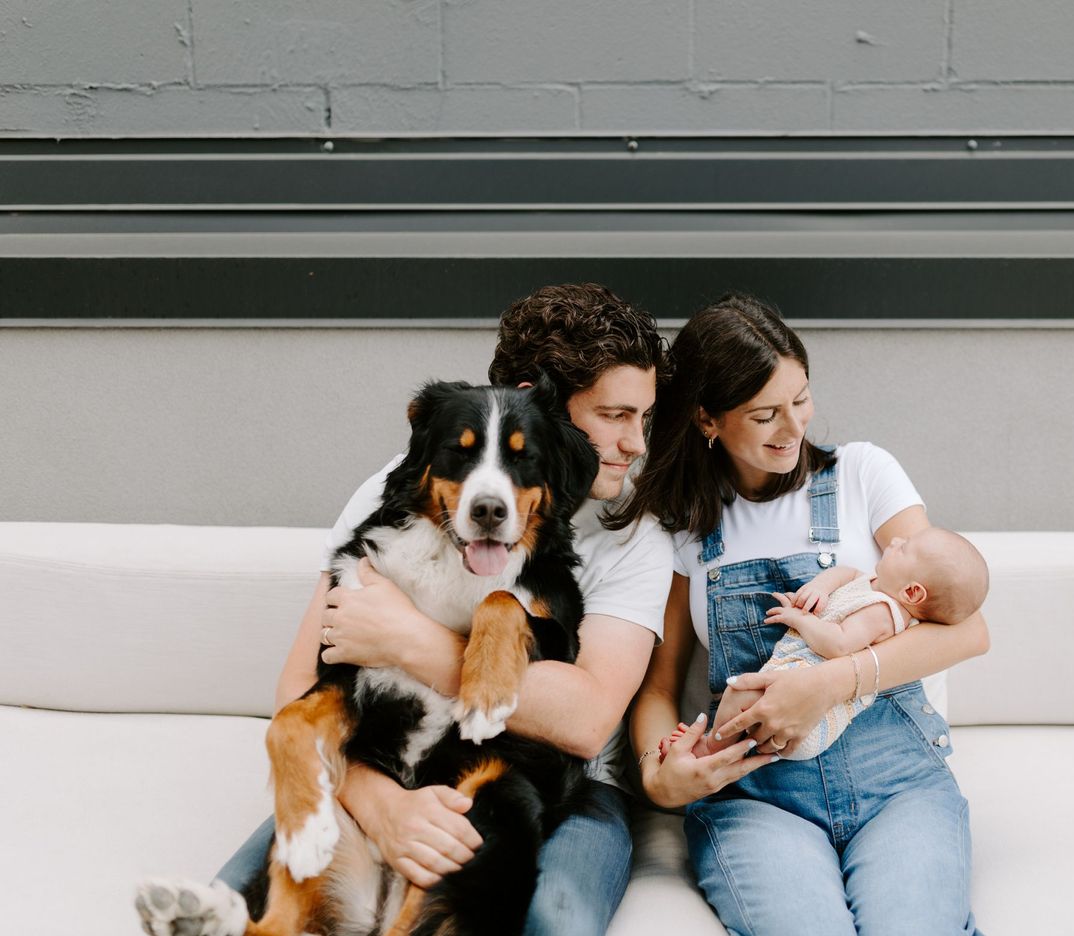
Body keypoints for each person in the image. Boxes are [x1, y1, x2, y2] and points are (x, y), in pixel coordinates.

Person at [215, 284, 704, 935]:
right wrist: (376, 801)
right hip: (383, 755)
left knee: (555, 923)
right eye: (615, 416)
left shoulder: (634, 535)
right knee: (227, 902)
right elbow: (299, 686)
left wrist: (408, 639)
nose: (635, 443)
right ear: (538, 402)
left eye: (643, 418)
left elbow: (585, 720)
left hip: (550, 786)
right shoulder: (410, 488)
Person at [617, 294, 989, 935]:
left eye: (802, 400)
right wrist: (659, 774)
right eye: (765, 414)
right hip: (759, 798)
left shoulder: (863, 474)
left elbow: (964, 627)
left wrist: (822, 685)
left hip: (895, 780)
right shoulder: (681, 525)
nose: (793, 428)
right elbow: (655, 684)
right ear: (708, 419)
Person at [666, 526, 990, 762]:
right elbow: (845, 573)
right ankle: (716, 748)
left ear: (912, 593)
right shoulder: (872, 585)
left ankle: (710, 748)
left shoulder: (882, 612)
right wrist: (818, 588)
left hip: (813, 720)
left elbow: (838, 645)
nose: (895, 541)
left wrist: (800, 619)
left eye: (904, 549)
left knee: (741, 692)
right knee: (749, 702)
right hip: (793, 692)